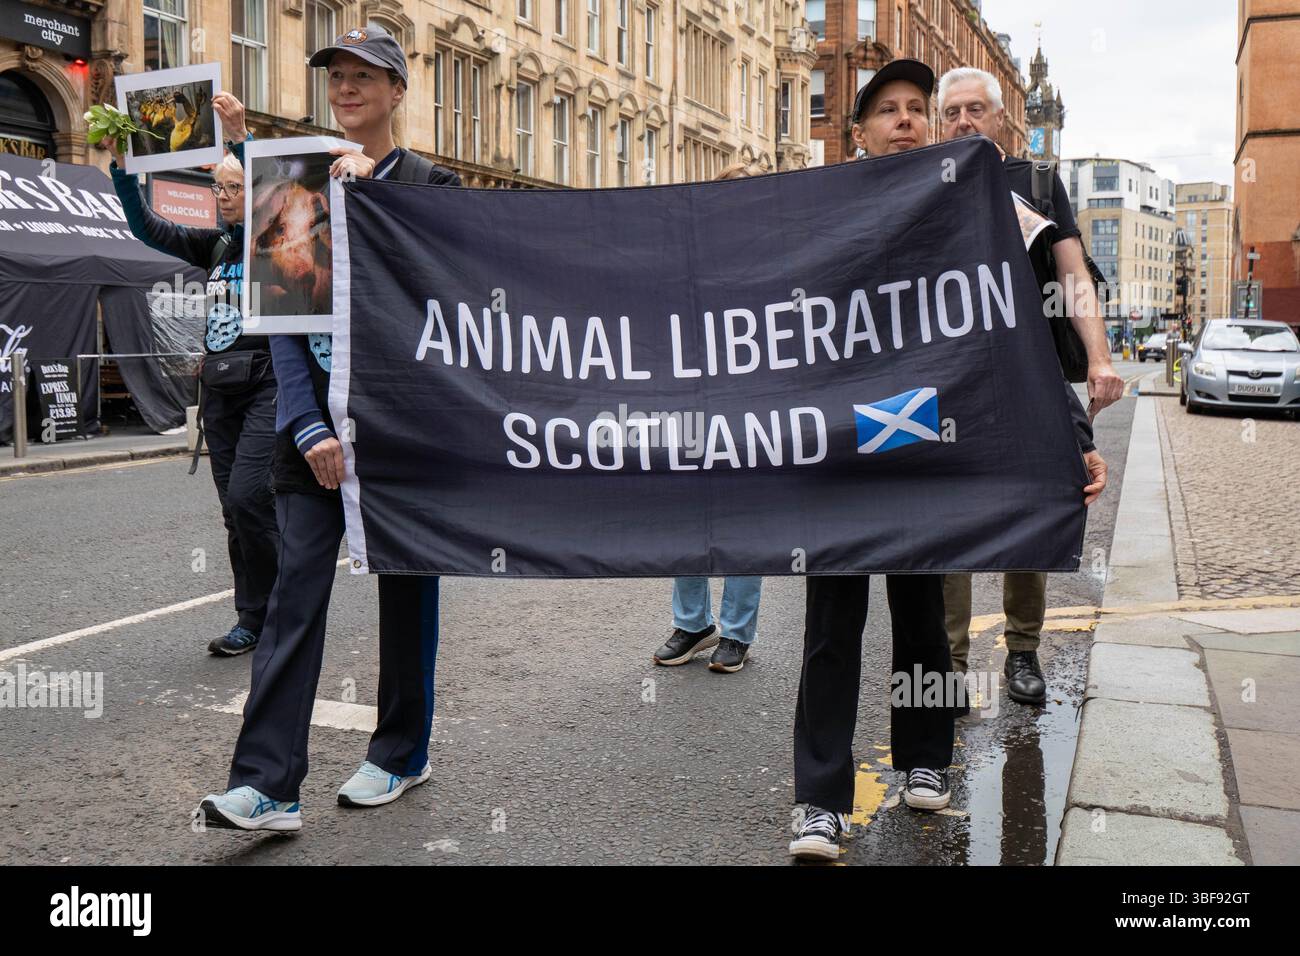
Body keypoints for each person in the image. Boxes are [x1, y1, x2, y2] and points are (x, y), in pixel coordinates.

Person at [199, 25, 462, 832]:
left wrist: (371, 198)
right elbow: (278, 318)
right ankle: (267, 784)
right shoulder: (291, 185)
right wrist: (308, 425)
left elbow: (439, 302)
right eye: (337, 76)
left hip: (401, 430)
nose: (348, 88)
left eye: (365, 77)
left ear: (397, 89)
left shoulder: (431, 184)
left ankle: (399, 754)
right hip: (310, 434)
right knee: (292, 596)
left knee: (407, 592)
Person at [788, 60, 958, 862]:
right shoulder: (820, 209)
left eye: (917, 108)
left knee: (923, 613)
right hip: (839, 439)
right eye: (887, 110)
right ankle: (820, 799)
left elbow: (1024, 310)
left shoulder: (966, 203)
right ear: (856, 132)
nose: (905, 120)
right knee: (833, 623)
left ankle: (927, 759)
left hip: (924, 434)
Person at [935, 67, 1112, 707]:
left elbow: (1073, 276)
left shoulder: (1038, 182)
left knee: (1033, 509)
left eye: (975, 109)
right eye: (951, 112)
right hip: (951, 381)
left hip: (1031, 376)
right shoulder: (923, 181)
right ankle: (950, 664)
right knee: (951, 520)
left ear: (1002, 116)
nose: (962, 122)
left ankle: (1022, 652)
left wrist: (1099, 357)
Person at [106, 93, 279, 659]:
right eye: (219, 189)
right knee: (234, 507)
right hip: (222, 388)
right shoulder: (218, 244)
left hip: (271, 383)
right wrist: (122, 171)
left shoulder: (270, 239)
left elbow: (271, 204)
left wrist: (238, 139)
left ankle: (285, 605)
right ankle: (252, 617)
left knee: (253, 496)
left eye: (234, 188)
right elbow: (149, 230)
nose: (225, 197)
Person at [653, 160, 766, 675]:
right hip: (692, 402)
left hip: (754, 404)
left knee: (744, 518)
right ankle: (693, 623)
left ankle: (737, 633)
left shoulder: (774, 262)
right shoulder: (688, 262)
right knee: (686, 514)